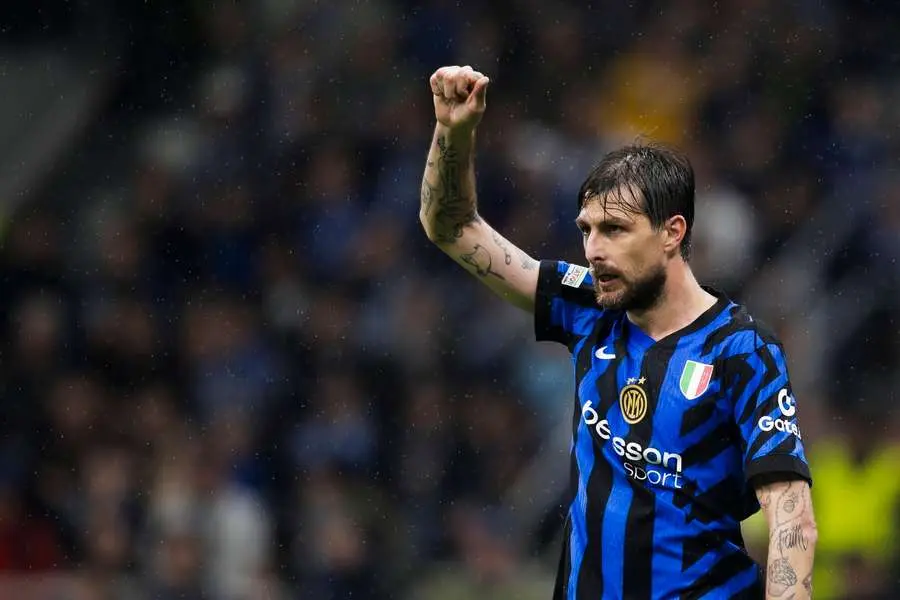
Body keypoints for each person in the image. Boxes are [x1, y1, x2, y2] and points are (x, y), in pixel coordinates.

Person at [419, 65, 817, 599]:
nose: (593, 250)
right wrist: (453, 131)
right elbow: (450, 226)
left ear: (672, 232)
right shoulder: (587, 306)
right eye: (586, 230)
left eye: (615, 230)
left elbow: (791, 518)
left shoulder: (741, 350)